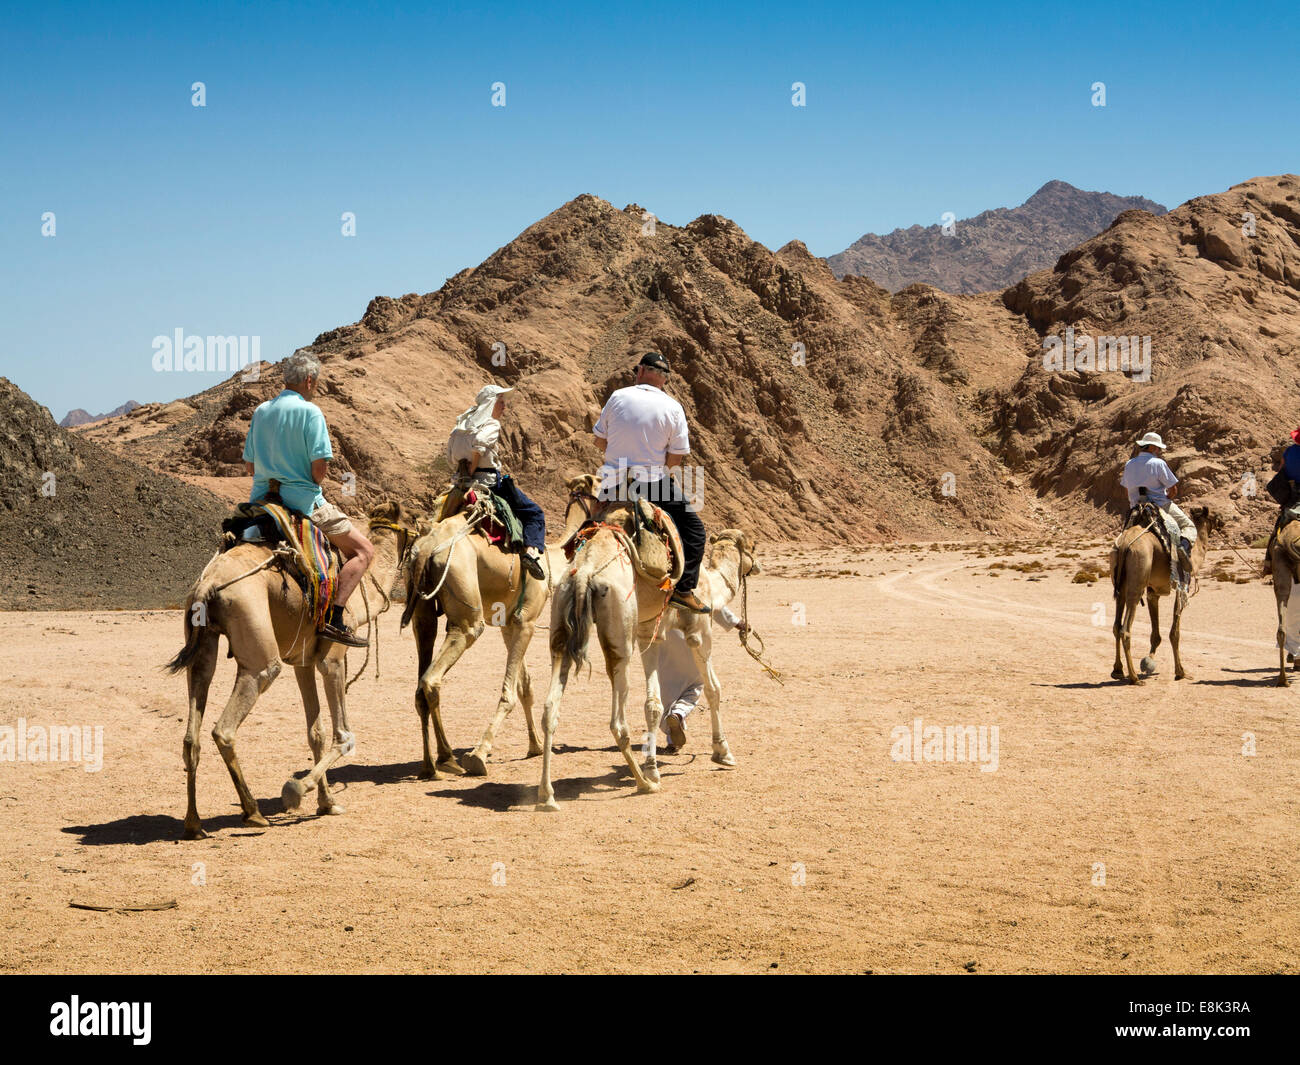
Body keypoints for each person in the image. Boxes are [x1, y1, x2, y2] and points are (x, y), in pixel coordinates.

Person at [243, 350, 373, 648]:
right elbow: (319, 471)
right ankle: (335, 618)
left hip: (259, 503)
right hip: (303, 503)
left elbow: (250, 467)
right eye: (317, 383)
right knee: (364, 551)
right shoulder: (310, 412)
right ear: (310, 380)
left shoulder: (261, 411)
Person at [593, 351, 709, 613]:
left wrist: (618, 456)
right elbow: (675, 459)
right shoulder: (673, 407)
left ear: (641, 371)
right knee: (694, 532)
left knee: (588, 527)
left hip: (612, 481)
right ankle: (684, 590)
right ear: (664, 380)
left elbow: (599, 440)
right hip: (652, 484)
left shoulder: (617, 397)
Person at [447, 384, 546, 580]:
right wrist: (473, 470)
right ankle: (530, 554)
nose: (504, 407)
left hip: (458, 484)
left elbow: (450, 458)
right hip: (489, 483)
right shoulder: (491, 424)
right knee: (534, 512)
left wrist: (464, 474)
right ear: (492, 403)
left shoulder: (458, 428)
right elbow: (479, 445)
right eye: (501, 402)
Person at [658, 606, 747, 751]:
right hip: (691, 632)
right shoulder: (692, 583)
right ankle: (679, 713)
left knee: (668, 685)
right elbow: (712, 602)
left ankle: (672, 739)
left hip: (664, 632)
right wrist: (737, 623)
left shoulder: (661, 583)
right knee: (696, 684)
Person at [1120, 431, 1196, 566]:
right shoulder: (1158, 463)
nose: (1159, 451)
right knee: (1188, 525)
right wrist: (1168, 497)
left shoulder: (1129, 464)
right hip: (1160, 505)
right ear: (1151, 447)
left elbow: (1126, 491)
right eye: (1158, 448)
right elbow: (1173, 489)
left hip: (1135, 507)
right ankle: (1182, 551)